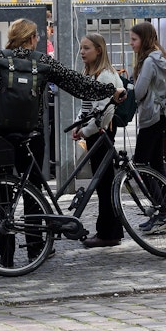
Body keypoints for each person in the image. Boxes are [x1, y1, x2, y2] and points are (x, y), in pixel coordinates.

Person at [0, 18, 124, 265]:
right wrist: (109, 92)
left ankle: (5, 256)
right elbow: (77, 84)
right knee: (33, 192)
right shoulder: (42, 61)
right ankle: (35, 249)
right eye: (37, 37)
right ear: (31, 39)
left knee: (1, 195)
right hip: (31, 134)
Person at [71, 33, 122, 248]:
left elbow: (105, 112)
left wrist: (86, 131)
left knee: (104, 184)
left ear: (98, 50)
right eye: (81, 48)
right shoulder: (91, 74)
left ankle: (108, 233)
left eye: (87, 48)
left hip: (102, 134)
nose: (82, 52)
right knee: (101, 184)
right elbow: (87, 108)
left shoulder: (105, 77)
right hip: (94, 133)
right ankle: (108, 231)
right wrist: (78, 125)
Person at [129, 21, 166, 232]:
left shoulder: (149, 62)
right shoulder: (161, 57)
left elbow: (139, 92)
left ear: (144, 40)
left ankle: (162, 211)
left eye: (134, 39)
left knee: (140, 163)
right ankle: (161, 212)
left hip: (152, 116)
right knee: (157, 164)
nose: (131, 44)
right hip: (162, 115)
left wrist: (128, 86)